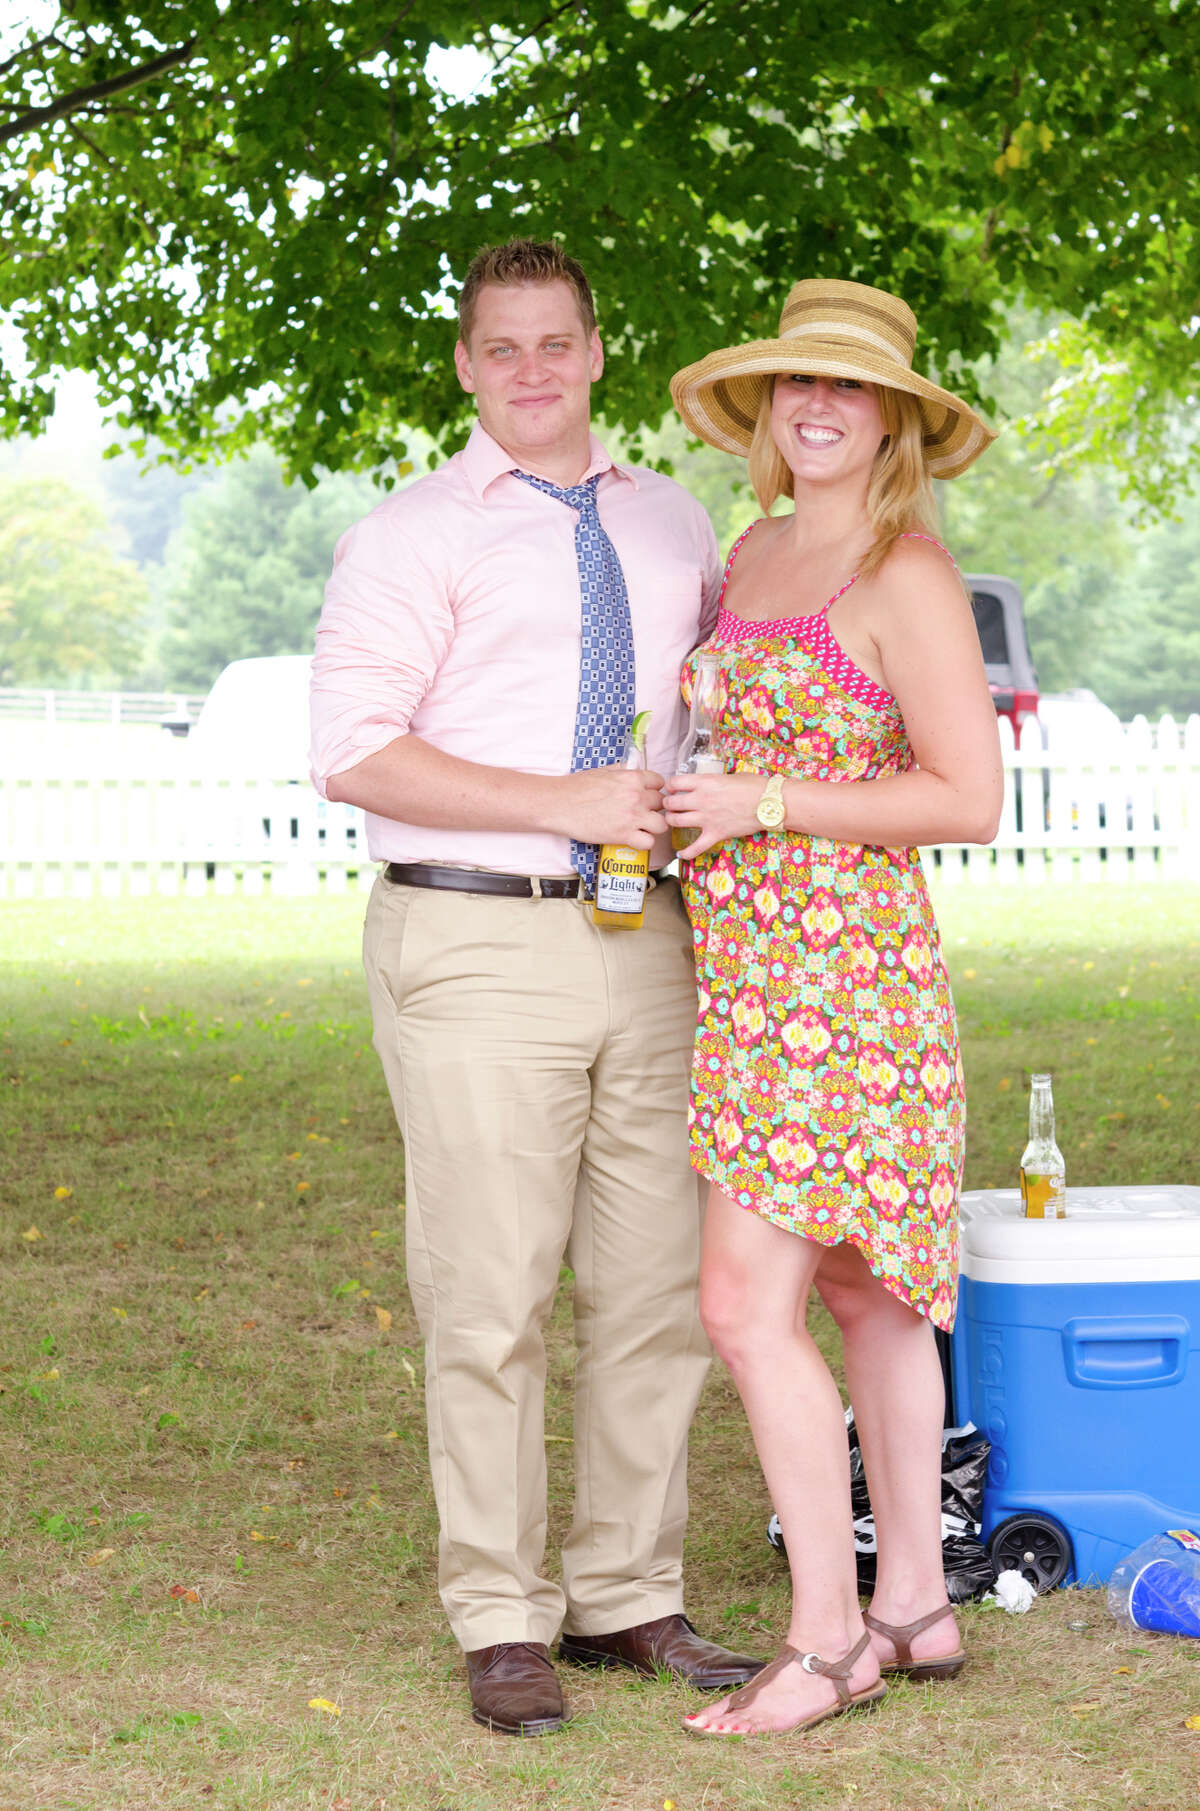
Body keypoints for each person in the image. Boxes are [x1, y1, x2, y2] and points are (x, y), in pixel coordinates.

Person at [308, 238, 764, 1738]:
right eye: (500, 348)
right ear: (464, 364)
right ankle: (500, 1613)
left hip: (654, 938)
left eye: (553, 343)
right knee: (488, 1294)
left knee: (656, 1290)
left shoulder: (675, 521)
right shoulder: (409, 535)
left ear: (594, 352)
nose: (529, 371)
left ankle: (629, 1593)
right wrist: (558, 798)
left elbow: (705, 713)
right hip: (474, 939)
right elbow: (358, 752)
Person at [661, 278, 1003, 1738]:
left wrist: (765, 798)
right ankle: (915, 1605)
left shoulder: (902, 568)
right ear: (763, 410)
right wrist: (698, 817)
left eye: (848, 390)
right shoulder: (751, 550)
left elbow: (969, 801)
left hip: (847, 984)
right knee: (863, 1289)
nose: (815, 407)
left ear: (894, 422)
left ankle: (823, 1639)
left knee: (747, 1306)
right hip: (747, 970)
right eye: (795, 386)